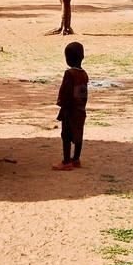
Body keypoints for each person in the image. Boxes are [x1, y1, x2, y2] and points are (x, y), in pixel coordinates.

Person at [53, 41, 89, 171]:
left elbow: (66, 93)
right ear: (82, 57)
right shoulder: (84, 74)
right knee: (79, 133)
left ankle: (66, 161)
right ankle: (76, 159)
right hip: (80, 109)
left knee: (66, 135)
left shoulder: (69, 74)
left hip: (70, 109)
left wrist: (63, 107)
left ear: (67, 59)